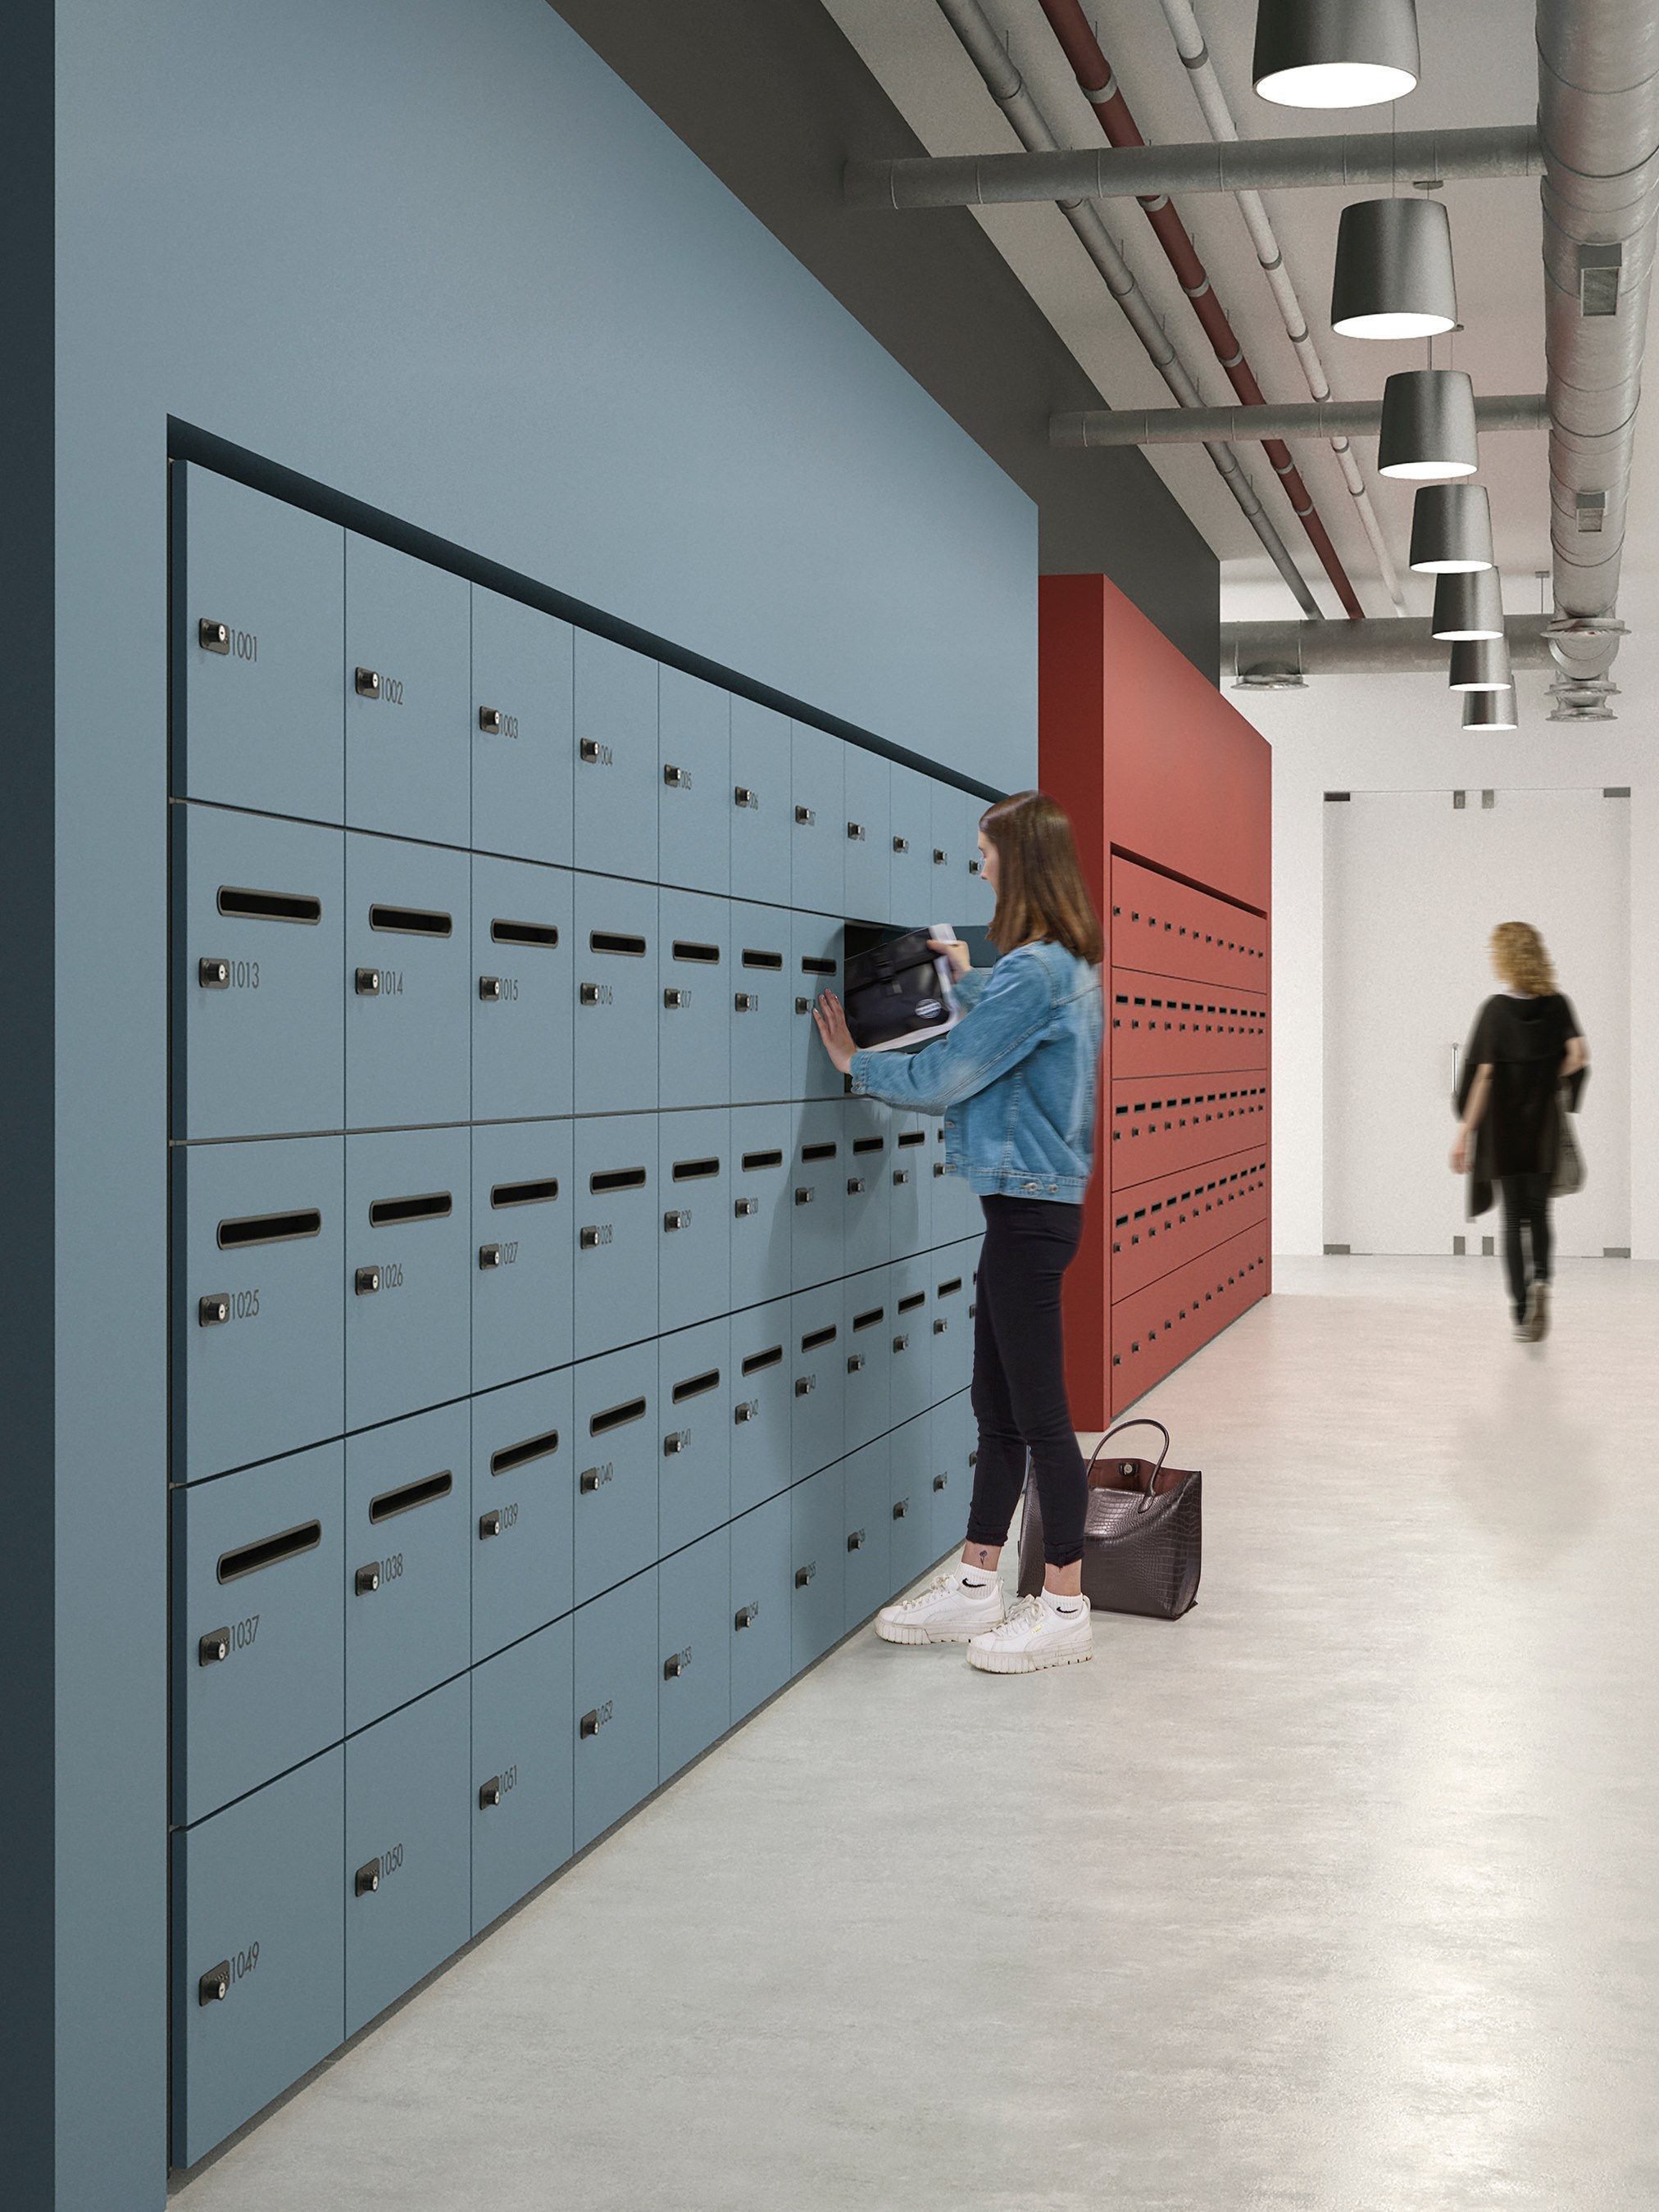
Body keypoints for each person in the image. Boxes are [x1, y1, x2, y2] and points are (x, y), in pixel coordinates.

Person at [811, 790, 1104, 1675]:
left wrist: (857, 1064)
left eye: (983, 851)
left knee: (1041, 1416)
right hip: (1026, 1210)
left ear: (1017, 861)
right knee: (998, 1406)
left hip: (1026, 1212)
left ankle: (1062, 1600)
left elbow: (956, 1068)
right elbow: (1002, 1000)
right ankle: (978, 1580)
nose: (976, 864)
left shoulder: (1034, 971)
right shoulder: (1058, 964)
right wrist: (955, 968)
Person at [1450, 921, 1588, 1342]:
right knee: (1540, 1212)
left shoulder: (1495, 1010)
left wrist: (1463, 1134)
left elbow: (1484, 1078)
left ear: (1505, 957)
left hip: (1504, 1130)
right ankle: (1543, 1279)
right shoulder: (1558, 1004)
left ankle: (1521, 1310)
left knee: (1513, 1220)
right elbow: (1579, 1055)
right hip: (1543, 1124)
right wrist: (1549, 1076)